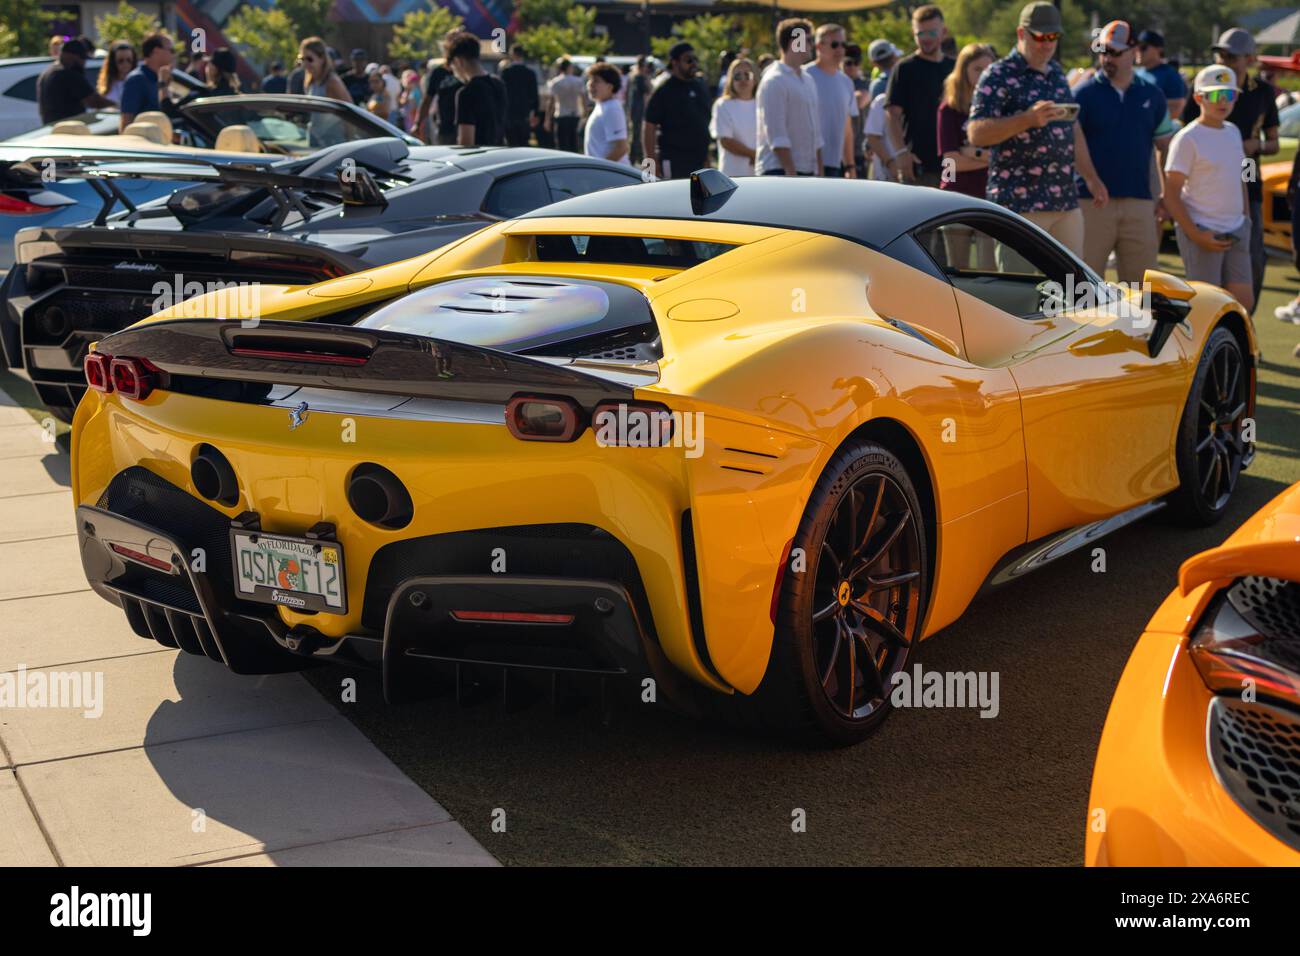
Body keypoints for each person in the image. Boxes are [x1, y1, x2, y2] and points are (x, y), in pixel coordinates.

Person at [968, 3, 1108, 255]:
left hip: (1065, 202)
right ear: (1021, 34)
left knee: (1071, 287)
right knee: (1021, 290)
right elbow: (976, 133)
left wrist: (1091, 177)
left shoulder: (1056, 73)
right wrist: (1027, 119)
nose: (1047, 44)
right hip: (1019, 205)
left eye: (1053, 36)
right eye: (1040, 37)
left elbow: (1072, 129)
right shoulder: (997, 74)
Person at [1182, 28, 1278, 315]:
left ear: (1249, 58)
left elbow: (1273, 142)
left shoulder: (1262, 91)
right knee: (1209, 268)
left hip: (1246, 166)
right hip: (1207, 174)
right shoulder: (1205, 84)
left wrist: (1255, 145)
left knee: (1254, 255)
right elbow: (1186, 130)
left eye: (1232, 56)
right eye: (1221, 54)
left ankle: (1245, 325)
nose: (1224, 60)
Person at [1073, 21, 1166, 284]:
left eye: (1114, 51)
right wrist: (1091, 179)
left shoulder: (1153, 95)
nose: (1106, 57)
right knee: (1085, 287)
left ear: (1133, 51)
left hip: (1140, 202)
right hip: (1091, 201)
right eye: (1102, 50)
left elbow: (1164, 146)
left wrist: (1163, 193)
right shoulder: (1082, 94)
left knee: (1142, 288)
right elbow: (1070, 144)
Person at [1163, 65, 1253, 314]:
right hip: (1202, 230)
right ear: (1199, 98)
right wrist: (1195, 234)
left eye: (1230, 95)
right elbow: (1171, 194)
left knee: (1244, 304)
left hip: (1236, 228)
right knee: (1206, 309)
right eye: (1215, 95)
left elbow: (1244, 175)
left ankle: (1239, 353)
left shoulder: (1234, 132)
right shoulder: (1187, 138)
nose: (1223, 101)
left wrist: (1246, 219)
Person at [885, 5, 954, 186]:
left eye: (931, 33)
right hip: (917, 165)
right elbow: (892, 115)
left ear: (943, 31)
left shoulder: (954, 68)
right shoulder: (904, 68)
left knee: (956, 211)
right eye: (920, 34)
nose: (926, 39)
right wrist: (900, 153)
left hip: (951, 163)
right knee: (920, 214)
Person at [755, 19, 821, 177]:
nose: (812, 44)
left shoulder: (808, 79)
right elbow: (777, 136)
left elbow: (816, 133)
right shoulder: (774, 80)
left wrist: (819, 172)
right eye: (808, 39)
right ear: (795, 41)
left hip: (804, 172)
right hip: (780, 172)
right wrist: (791, 174)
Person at [643, 42, 711, 179]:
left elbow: (704, 125)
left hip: (700, 161)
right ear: (674, 62)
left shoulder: (701, 87)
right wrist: (651, 162)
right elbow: (649, 126)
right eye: (688, 60)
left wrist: (707, 157)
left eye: (695, 59)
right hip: (673, 161)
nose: (694, 63)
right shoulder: (664, 91)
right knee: (676, 199)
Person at [937, 42, 996, 198]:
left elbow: (1009, 158)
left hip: (992, 196)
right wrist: (992, 159)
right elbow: (950, 164)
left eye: (988, 69)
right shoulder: (949, 109)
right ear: (963, 72)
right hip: (957, 196)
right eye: (977, 69)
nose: (984, 75)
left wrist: (973, 153)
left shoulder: (998, 108)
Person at [807, 23, 858, 178]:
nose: (840, 49)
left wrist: (850, 165)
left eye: (843, 45)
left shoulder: (846, 82)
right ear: (818, 47)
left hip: (835, 165)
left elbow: (847, 127)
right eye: (835, 44)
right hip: (806, 165)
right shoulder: (804, 76)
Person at [446, 30, 506, 147]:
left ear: (459, 61)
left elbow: (466, 143)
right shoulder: (499, 84)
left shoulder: (466, 93)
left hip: (478, 160)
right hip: (499, 154)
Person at [38, 37, 114, 125]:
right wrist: (117, 105)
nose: (83, 62)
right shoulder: (68, 74)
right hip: (70, 129)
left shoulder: (47, 72)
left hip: (53, 128)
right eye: (81, 58)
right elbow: (94, 101)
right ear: (70, 55)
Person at [711, 58, 757, 175]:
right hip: (732, 175)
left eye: (747, 75)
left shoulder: (763, 104)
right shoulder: (723, 105)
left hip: (759, 174)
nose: (742, 79)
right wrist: (754, 155)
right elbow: (726, 141)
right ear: (731, 80)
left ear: (755, 79)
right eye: (737, 76)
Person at [119, 33, 174, 131]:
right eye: (171, 50)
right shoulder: (136, 80)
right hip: (143, 144)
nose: (173, 54)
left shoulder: (161, 78)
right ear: (156, 51)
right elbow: (126, 121)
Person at [583, 63, 630, 165]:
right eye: (590, 79)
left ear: (609, 86)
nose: (590, 84)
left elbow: (621, 148)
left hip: (614, 178)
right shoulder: (601, 105)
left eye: (596, 81)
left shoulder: (612, 108)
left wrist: (598, 170)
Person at [1135, 29, 1186, 120]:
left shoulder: (1170, 75)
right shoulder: (1136, 74)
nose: (1137, 50)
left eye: (1143, 47)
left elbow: (1176, 109)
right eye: (1136, 46)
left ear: (1159, 49)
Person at [501, 45, 538, 147]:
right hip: (524, 112)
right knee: (524, 143)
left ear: (512, 55)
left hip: (509, 112)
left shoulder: (506, 72)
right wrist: (535, 112)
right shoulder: (530, 73)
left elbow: (502, 94)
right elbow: (534, 95)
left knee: (511, 143)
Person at [844, 45, 871, 178]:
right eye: (848, 63)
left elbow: (859, 101)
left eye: (856, 63)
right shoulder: (839, 82)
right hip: (839, 150)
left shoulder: (864, 83)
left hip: (858, 149)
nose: (853, 67)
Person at [298, 36, 350, 104]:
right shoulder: (311, 80)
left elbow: (350, 109)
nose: (305, 64)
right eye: (302, 59)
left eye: (309, 59)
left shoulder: (332, 82)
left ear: (322, 58)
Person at [549, 59, 586, 152]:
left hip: (561, 114)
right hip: (575, 114)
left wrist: (547, 118)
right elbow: (583, 99)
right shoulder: (578, 81)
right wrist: (585, 113)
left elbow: (551, 102)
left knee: (562, 144)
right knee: (574, 143)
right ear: (570, 68)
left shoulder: (555, 82)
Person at [627, 55, 652, 165]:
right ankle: (635, 158)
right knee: (637, 134)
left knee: (635, 134)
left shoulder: (633, 76)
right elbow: (647, 91)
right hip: (638, 109)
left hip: (634, 108)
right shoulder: (640, 78)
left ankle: (635, 157)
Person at [97, 40, 136, 106]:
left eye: (129, 60)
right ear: (113, 62)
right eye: (121, 61)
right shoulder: (107, 86)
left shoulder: (139, 83)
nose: (125, 64)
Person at [399, 68, 422, 134]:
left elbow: (415, 105)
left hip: (413, 117)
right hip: (408, 117)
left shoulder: (415, 91)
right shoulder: (408, 91)